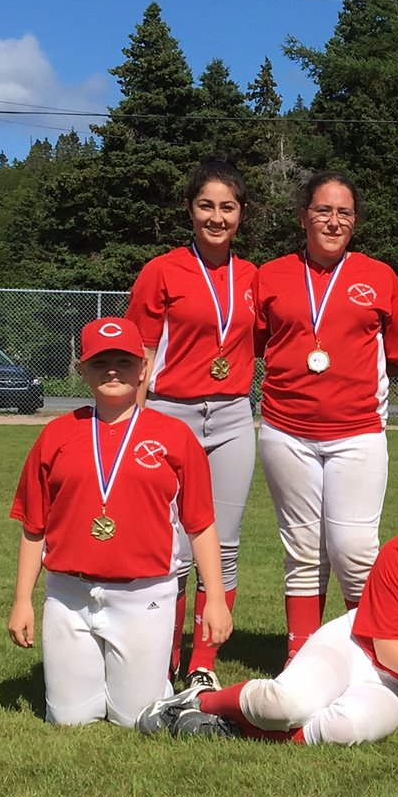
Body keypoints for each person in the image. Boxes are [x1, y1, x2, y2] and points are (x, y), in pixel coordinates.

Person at [137, 445, 398, 743]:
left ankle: (226, 731)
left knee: (343, 730)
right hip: (357, 646)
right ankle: (196, 702)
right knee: (285, 704)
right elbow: (386, 647)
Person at [7, 317, 230, 727]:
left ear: (143, 369)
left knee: (136, 720)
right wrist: (23, 599)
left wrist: (214, 597)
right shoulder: (56, 435)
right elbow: (33, 526)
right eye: (100, 362)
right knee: (68, 720)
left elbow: (200, 525)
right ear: (84, 371)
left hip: (143, 593)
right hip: (69, 595)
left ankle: (187, 697)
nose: (113, 371)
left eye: (124, 362)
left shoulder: (174, 436)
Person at [255, 171, 398, 660]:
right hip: (286, 431)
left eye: (343, 212)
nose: (333, 221)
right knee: (302, 551)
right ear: (304, 217)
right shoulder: (271, 275)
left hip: (357, 433)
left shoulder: (380, 276)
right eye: (323, 210)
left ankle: (366, 658)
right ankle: (300, 658)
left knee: (355, 550)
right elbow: (258, 346)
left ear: (355, 221)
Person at [125, 159, 261, 688]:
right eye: (206, 205)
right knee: (172, 545)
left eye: (227, 207)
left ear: (241, 214)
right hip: (170, 414)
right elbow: (141, 351)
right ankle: (164, 657)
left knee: (222, 544)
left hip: (230, 416)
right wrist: (134, 424)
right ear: (189, 209)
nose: (216, 216)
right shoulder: (162, 270)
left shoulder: (253, 276)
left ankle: (203, 663)